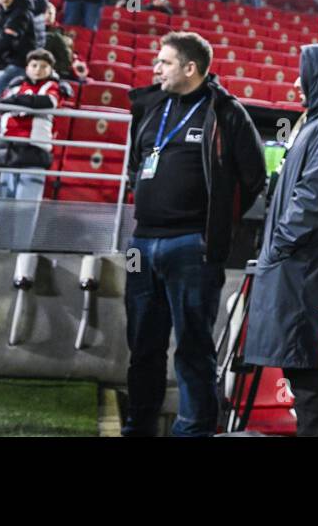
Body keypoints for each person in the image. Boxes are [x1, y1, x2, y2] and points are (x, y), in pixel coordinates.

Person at [123, 32, 266, 436]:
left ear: (190, 68)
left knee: (193, 346)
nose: (156, 68)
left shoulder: (225, 112)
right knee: (143, 346)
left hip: (192, 246)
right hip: (142, 242)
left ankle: (194, 429)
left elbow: (252, 177)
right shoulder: (151, 107)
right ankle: (140, 424)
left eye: (164, 62)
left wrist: (216, 221)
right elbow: (139, 162)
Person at [244, 43, 318, 437]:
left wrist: (278, 244)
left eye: (304, 74)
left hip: (304, 276)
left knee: (309, 380)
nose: (296, 83)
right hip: (300, 271)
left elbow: (315, 198)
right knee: (309, 380)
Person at [0, 49, 63, 227]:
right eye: (34, 65)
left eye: (43, 66)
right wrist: (21, 100)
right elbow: (2, 105)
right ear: (27, 67)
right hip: (7, 150)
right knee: (3, 202)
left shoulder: (53, 86)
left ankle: (20, 249)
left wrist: (17, 100)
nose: (38, 70)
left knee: (27, 207)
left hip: (34, 152)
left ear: (51, 69)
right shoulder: (15, 85)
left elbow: (47, 102)